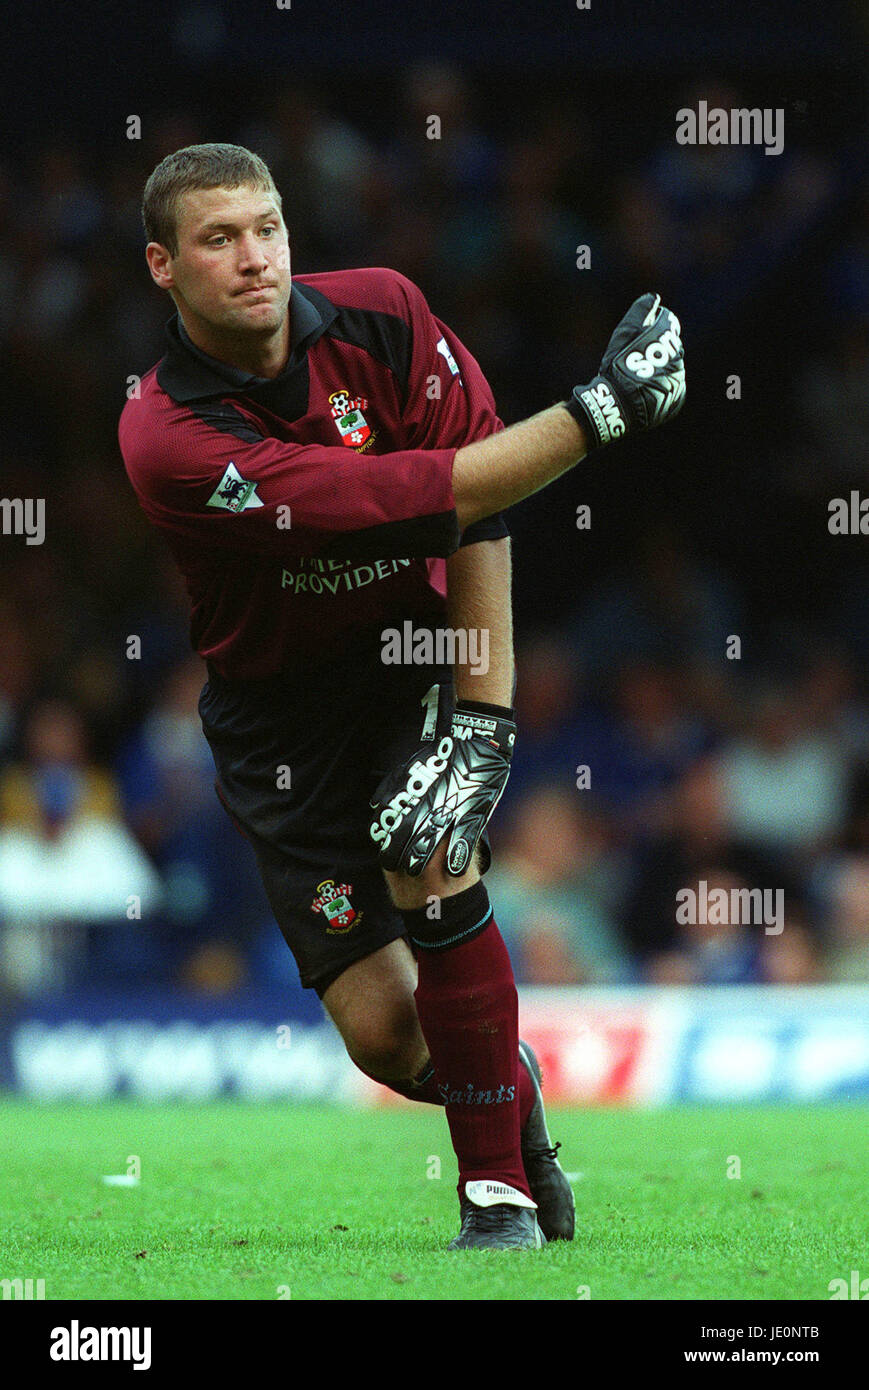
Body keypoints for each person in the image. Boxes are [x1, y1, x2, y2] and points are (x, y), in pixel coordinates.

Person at [118, 142, 685, 1250]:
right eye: (218, 239)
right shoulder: (167, 436)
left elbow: (477, 510)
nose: (254, 258)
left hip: (412, 657)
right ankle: (497, 1080)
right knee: (383, 1035)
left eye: (268, 227)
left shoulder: (384, 313)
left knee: (429, 848)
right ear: (161, 266)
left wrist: (480, 716)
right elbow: (435, 492)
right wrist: (600, 411)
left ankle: (495, 1197)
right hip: (275, 723)